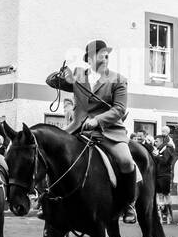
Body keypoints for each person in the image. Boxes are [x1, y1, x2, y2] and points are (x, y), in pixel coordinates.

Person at [45, 39, 138, 223]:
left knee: (126, 161)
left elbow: (119, 109)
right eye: (101, 52)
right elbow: (51, 82)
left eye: (106, 52)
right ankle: (48, 201)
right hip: (78, 128)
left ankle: (128, 204)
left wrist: (97, 120)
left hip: (109, 131)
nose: (105, 55)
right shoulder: (79, 76)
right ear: (90, 58)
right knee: (52, 155)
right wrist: (60, 74)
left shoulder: (118, 80)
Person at [153, 132, 176, 224]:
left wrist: (157, 156)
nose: (155, 143)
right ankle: (162, 216)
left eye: (157, 141)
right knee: (160, 195)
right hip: (158, 176)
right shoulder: (158, 150)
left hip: (165, 176)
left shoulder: (167, 149)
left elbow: (165, 161)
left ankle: (169, 216)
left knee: (166, 195)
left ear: (162, 141)